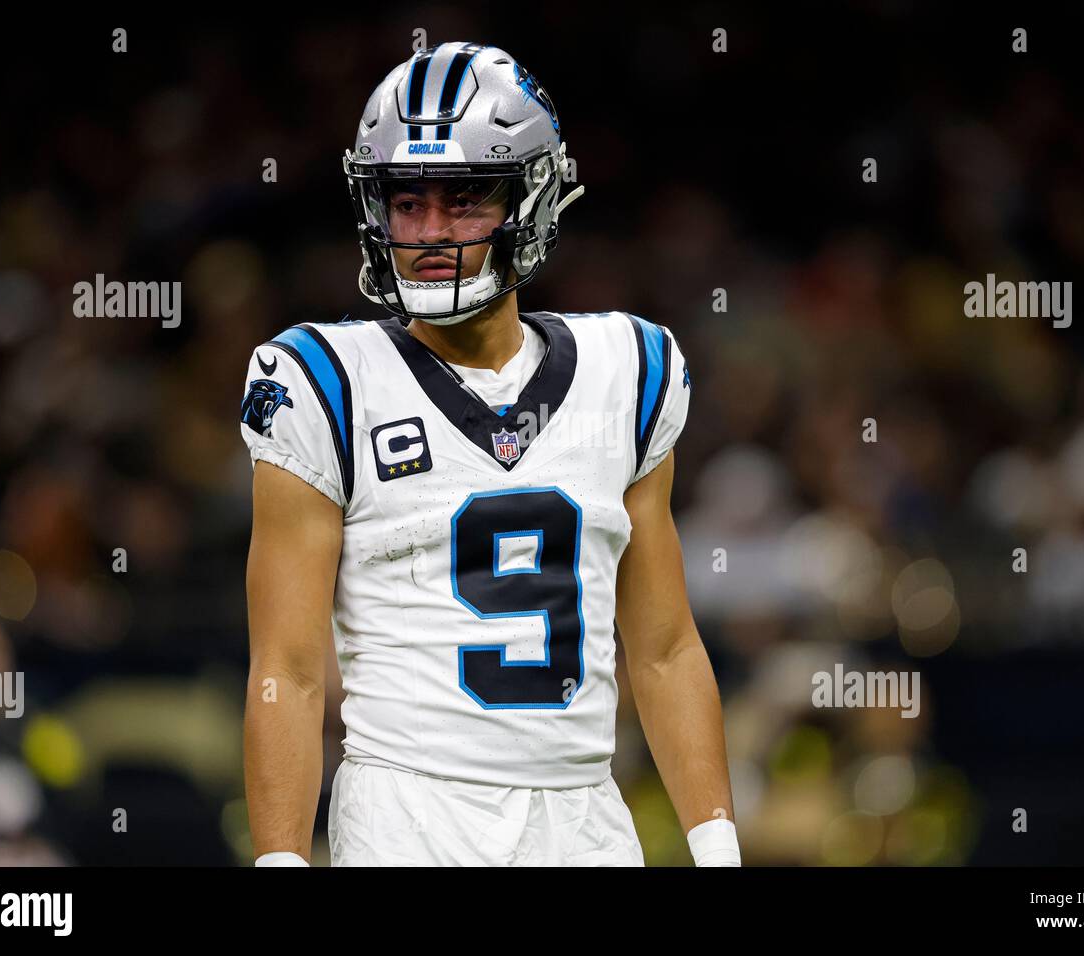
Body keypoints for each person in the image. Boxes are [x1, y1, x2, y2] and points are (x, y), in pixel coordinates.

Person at [240, 41, 739, 866]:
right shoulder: (322, 381)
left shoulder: (630, 369)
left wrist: (717, 849)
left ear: (531, 199)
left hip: (585, 822)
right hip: (408, 817)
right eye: (407, 201)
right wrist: (283, 861)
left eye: (465, 198)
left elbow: (663, 646)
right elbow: (287, 671)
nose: (431, 232)